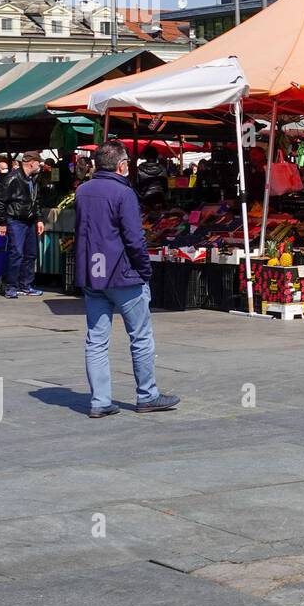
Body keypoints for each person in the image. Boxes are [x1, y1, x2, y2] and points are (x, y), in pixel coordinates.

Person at [75, 140, 178, 418]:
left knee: (96, 339)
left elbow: (82, 231)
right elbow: (134, 238)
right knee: (140, 336)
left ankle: (100, 400)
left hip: (92, 273)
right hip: (123, 274)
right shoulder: (123, 193)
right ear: (122, 165)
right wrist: (145, 270)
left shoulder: (82, 191)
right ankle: (147, 394)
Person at [0, 151, 46, 299]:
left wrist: (39, 218)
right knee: (17, 253)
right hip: (15, 220)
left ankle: (26, 285)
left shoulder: (33, 178)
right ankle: (11, 286)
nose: (40, 165)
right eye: (38, 162)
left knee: (31, 254)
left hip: (29, 220)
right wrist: (2, 222)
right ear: (31, 163)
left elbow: (36, 200)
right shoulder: (12, 178)